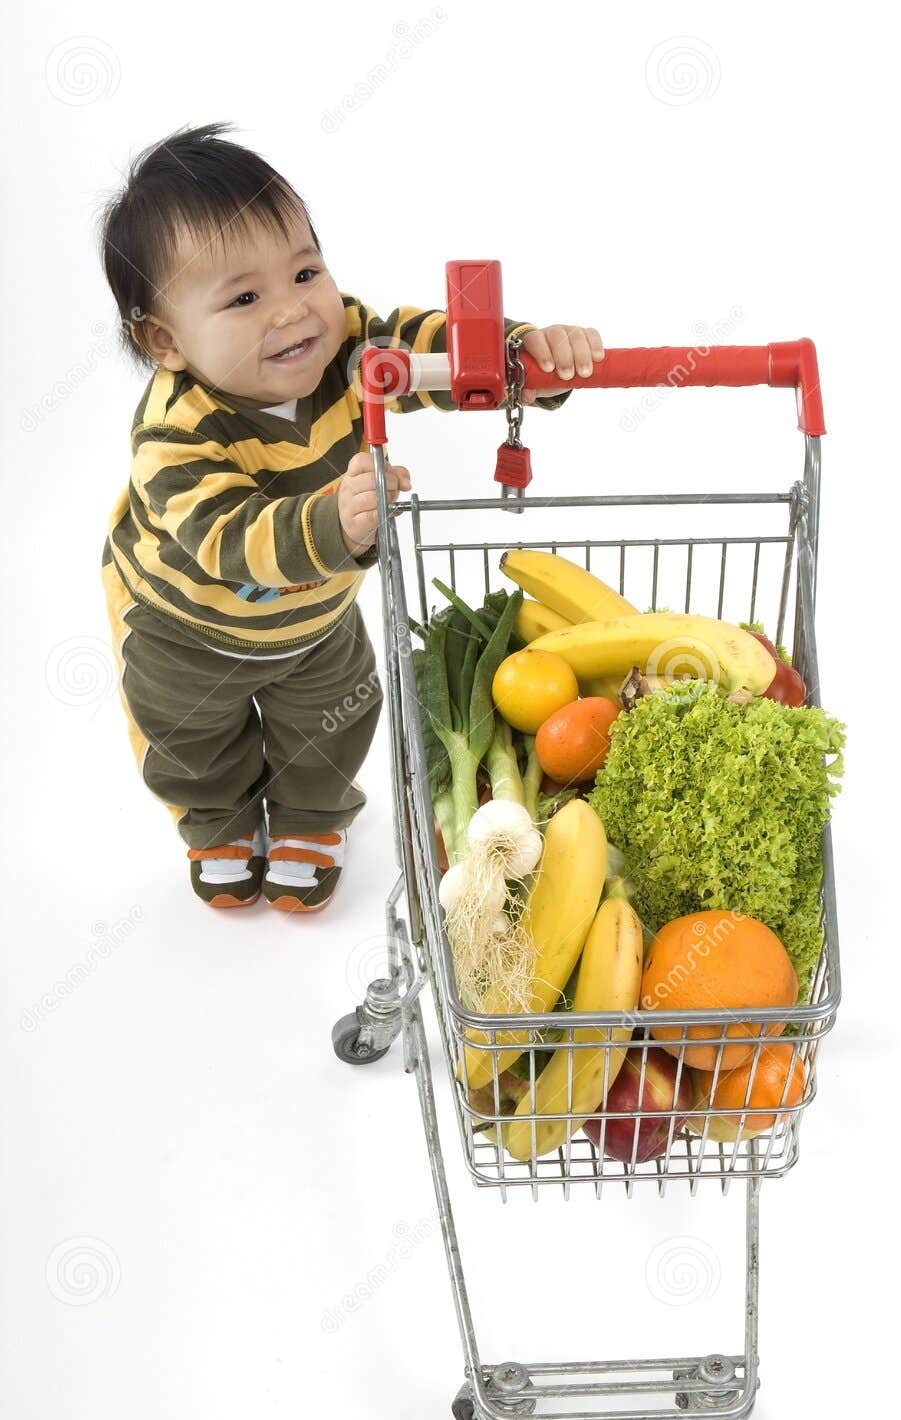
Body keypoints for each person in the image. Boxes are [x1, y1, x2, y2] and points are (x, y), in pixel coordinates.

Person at [97, 121, 604, 912]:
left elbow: (423, 345)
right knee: (194, 743)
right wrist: (333, 522)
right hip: (185, 629)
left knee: (333, 719)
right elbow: (226, 539)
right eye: (243, 297)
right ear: (164, 339)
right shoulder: (176, 431)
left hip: (316, 618)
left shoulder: (343, 343)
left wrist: (515, 357)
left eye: (305, 271)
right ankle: (219, 826)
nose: (293, 311)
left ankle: (309, 821)